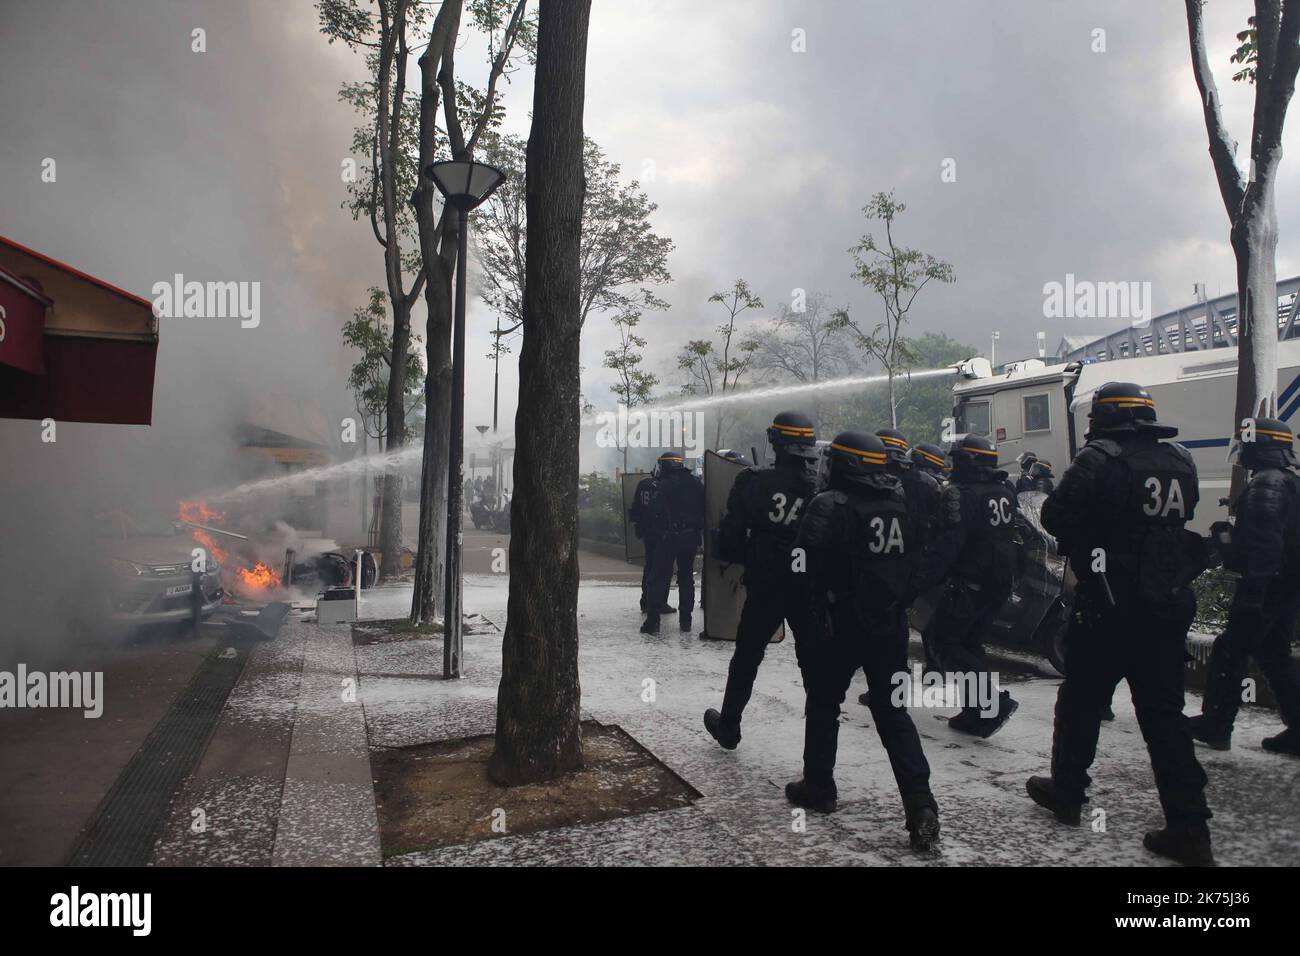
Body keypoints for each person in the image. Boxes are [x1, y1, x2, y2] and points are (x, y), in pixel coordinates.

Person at [1026, 382, 1213, 866]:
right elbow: (1183, 515)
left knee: (1082, 702)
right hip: (1168, 601)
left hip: (1109, 604)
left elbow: (1055, 514)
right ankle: (1189, 826)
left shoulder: (1098, 458)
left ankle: (1067, 792)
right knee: (1165, 717)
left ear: (1103, 419)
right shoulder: (1178, 458)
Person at [785, 431, 941, 849]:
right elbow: (920, 564)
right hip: (888, 626)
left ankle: (819, 787)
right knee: (893, 714)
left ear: (844, 465)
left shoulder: (829, 504)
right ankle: (921, 803)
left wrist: (814, 607)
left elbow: (800, 565)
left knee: (823, 702)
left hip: (839, 625)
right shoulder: (902, 504)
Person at [703, 411, 822, 749]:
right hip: (808, 587)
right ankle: (817, 755)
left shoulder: (754, 481)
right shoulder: (822, 487)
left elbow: (731, 535)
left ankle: (729, 726)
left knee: (746, 657)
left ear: (776, 442)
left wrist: (736, 554)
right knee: (814, 668)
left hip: (766, 584)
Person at [1190, 416, 1300, 756]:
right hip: (1286, 585)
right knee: (1273, 654)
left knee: (1230, 651)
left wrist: (1254, 593)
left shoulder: (1266, 484)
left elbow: (1266, 545)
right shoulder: (1287, 480)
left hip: (1267, 586)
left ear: (1261, 449)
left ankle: (1216, 725)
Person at [923, 433, 1021, 736]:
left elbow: (950, 543)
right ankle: (977, 712)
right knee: (970, 644)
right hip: (1000, 580)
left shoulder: (959, 493)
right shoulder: (1005, 489)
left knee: (944, 641)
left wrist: (923, 579)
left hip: (970, 580)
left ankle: (992, 703)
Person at [857, 428, 941, 706]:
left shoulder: (872, 482)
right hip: (918, 566)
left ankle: (889, 689)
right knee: (910, 625)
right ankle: (926, 677)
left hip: (881, 568)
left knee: (884, 633)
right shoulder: (927, 484)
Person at [641, 451, 705, 634]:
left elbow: (653, 509)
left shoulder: (664, 485)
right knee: (686, 578)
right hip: (691, 537)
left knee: (659, 577)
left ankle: (653, 622)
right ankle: (686, 622)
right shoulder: (696, 483)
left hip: (668, 537)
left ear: (666, 466)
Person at [628, 464, 665, 613]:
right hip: (662, 532)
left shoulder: (643, 484)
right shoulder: (664, 486)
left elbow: (636, 508)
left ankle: (646, 600)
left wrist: (640, 527)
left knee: (649, 566)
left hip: (647, 532)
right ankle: (658, 602)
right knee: (661, 568)